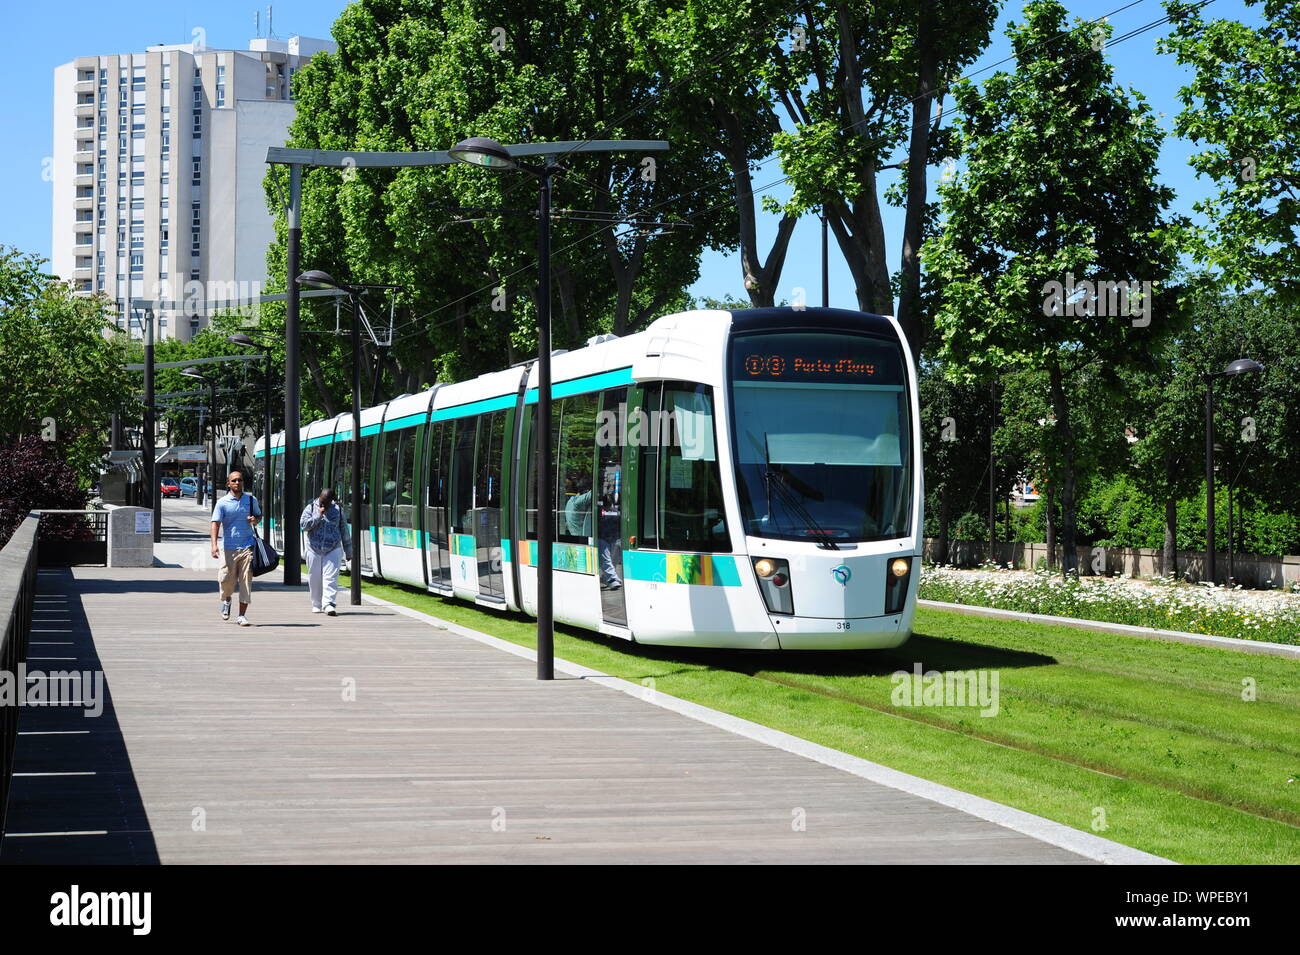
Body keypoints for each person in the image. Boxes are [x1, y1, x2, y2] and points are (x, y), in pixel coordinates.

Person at [209, 469, 261, 626]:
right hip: (229, 547)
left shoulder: (251, 500)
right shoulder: (222, 503)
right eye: (234, 481)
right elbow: (215, 523)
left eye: (240, 480)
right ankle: (227, 599)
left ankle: (242, 615)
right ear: (228, 484)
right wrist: (214, 545)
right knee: (225, 580)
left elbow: (259, 516)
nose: (237, 483)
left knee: (246, 581)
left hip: (248, 546)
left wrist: (255, 520)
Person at [301, 487, 353, 616]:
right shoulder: (311, 507)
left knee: (330, 577)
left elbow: (344, 530)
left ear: (331, 501)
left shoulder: (337, 510)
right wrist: (318, 515)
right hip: (314, 548)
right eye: (322, 501)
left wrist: (348, 550)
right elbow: (303, 525)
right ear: (320, 497)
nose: (323, 504)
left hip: (333, 547)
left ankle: (328, 604)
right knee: (314, 577)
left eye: (326, 502)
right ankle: (316, 604)